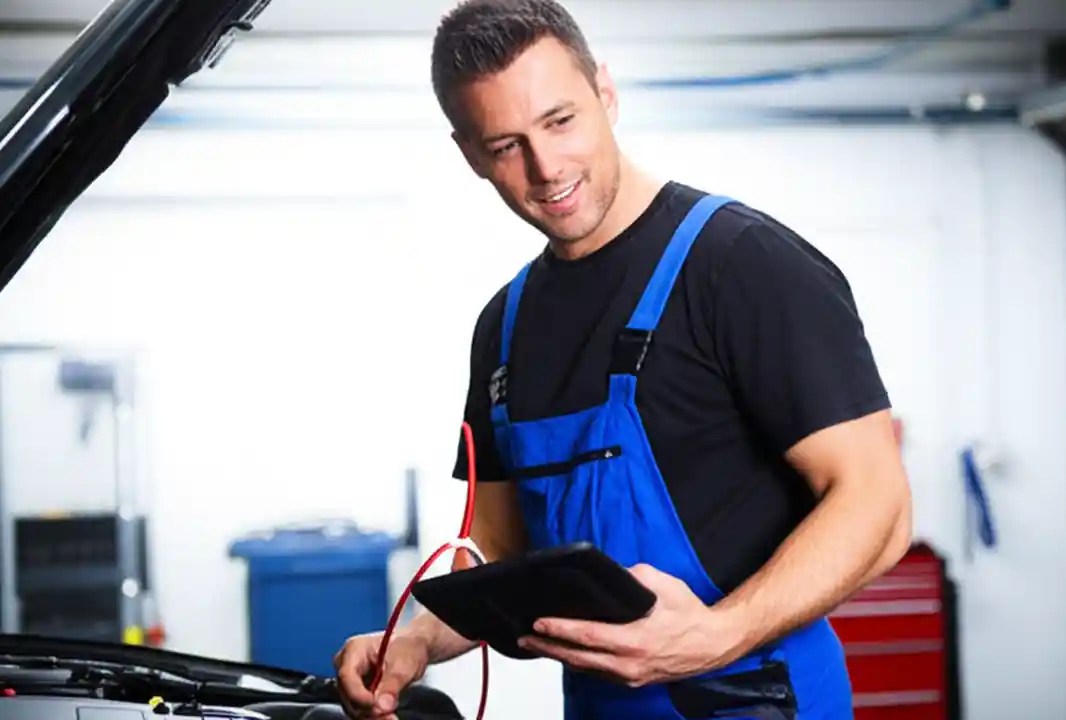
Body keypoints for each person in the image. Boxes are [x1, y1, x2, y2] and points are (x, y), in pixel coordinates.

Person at [334, 0, 913, 717]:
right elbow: (495, 547)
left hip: (761, 700)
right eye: (506, 144)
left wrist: (716, 634)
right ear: (468, 153)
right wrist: (416, 642)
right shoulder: (504, 327)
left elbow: (878, 504)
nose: (547, 169)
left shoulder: (740, 265)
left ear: (605, 92)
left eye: (560, 121)